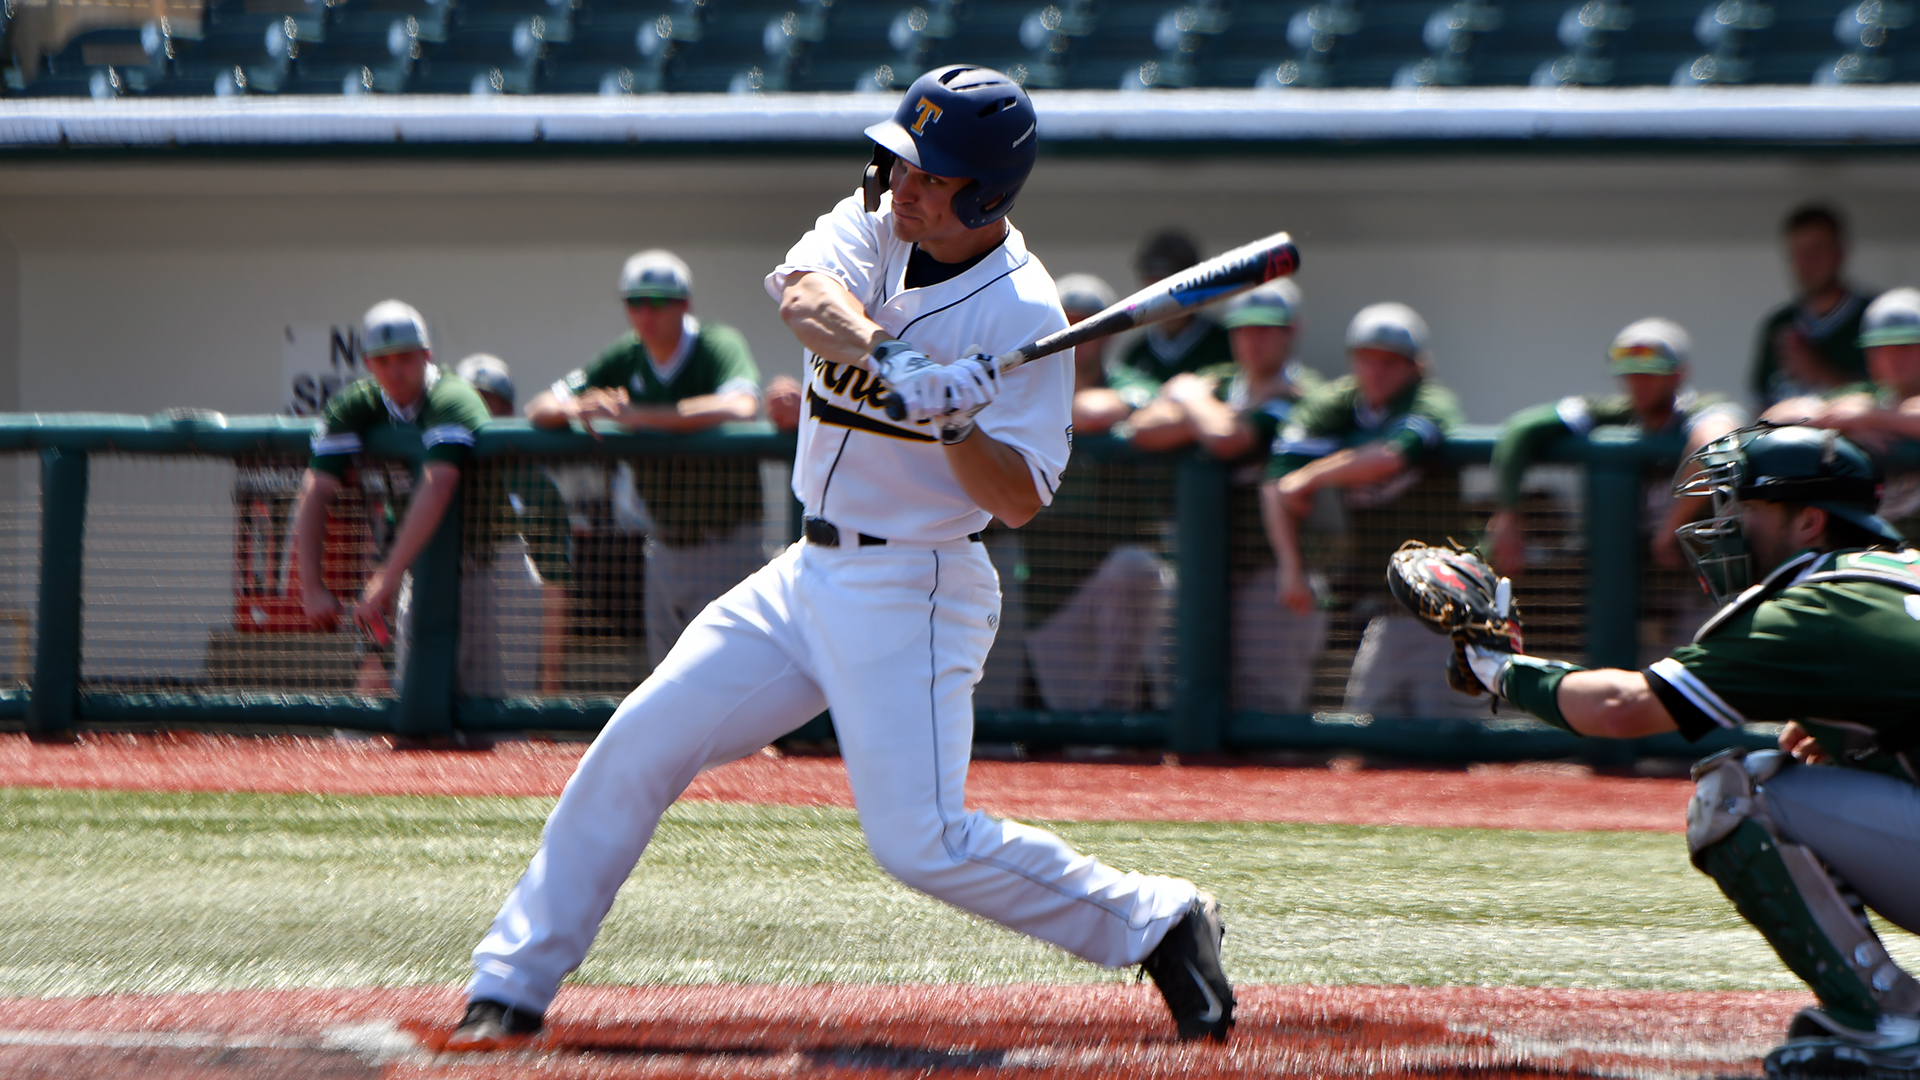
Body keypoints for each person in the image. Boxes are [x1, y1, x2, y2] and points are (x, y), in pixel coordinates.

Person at [451, 64, 1234, 1050]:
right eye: (901, 158)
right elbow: (805, 300)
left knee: (921, 844)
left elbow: (1021, 498)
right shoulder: (877, 215)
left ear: (985, 192)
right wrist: (896, 359)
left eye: (930, 171)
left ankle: (1159, 921)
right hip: (804, 574)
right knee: (638, 743)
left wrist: (958, 429)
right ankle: (512, 982)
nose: (903, 181)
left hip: (916, 585)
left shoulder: (1027, 316)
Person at [1441, 423, 1920, 1079]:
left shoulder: (1820, 605)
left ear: (1809, 522)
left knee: (1741, 790)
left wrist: (1498, 668)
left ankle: (1892, 1024)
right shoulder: (1892, 582)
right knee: (1828, 755)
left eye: (1744, 507)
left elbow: (1622, 708)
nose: (1724, 525)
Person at [523, 250, 769, 668]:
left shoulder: (715, 344)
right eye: (635, 302)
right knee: (667, 678)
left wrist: (637, 416)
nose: (646, 313)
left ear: (684, 304)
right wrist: (579, 408)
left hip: (727, 541)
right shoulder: (627, 355)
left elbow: (743, 405)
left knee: (728, 676)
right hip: (663, 543)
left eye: (658, 302)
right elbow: (539, 407)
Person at [1486, 318, 1747, 658]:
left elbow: (1714, 445)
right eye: (1630, 373)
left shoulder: (1702, 409)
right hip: (1634, 596)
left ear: (1678, 375)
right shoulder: (1614, 415)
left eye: (1650, 373)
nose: (1638, 384)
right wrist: (1508, 512)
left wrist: (1670, 527)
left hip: (1701, 592)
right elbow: (1521, 429)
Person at [1126, 281, 1328, 712]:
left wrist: (1189, 398)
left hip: (1276, 573)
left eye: (1265, 330)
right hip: (1203, 570)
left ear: (1291, 332)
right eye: (1243, 329)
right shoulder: (1218, 383)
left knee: (1265, 706)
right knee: (1182, 696)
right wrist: (1203, 410)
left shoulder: (1309, 396)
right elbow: (1142, 428)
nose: (1251, 340)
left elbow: (1227, 438)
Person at [1261, 302, 1469, 718]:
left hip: (1450, 611)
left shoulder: (1431, 401)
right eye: (1367, 358)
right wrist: (1290, 565)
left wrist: (1311, 477)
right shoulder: (1338, 404)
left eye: (1391, 362)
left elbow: (1390, 457)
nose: (1377, 371)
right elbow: (1276, 480)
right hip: (1388, 608)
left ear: (1416, 366)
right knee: (1367, 736)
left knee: (1447, 747)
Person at [294, 301, 492, 692]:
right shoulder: (357, 404)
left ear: (426, 355)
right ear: (368, 363)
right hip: (423, 563)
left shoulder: (452, 396)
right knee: (417, 701)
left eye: (405, 357)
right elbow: (316, 487)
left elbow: (439, 484)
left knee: (493, 716)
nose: (395, 370)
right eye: (383, 360)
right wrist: (312, 585)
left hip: (489, 558)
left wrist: (386, 577)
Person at [1014, 271, 1175, 713]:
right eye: (1069, 323)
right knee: (1073, 727)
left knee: (1136, 569)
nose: (1079, 335)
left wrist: (1038, 417)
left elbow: (1104, 408)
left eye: (1090, 324)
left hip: (1105, 577)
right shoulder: (1024, 383)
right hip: (1044, 583)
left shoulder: (1128, 383)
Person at [454, 354, 573, 696]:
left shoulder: (535, 485)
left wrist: (549, 684)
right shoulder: (435, 472)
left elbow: (554, 586)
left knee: (505, 731)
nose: (481, 415)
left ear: (508, 411)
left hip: (510, 624)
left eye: (490, 404)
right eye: (471, 404)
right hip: (447, 603)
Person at [1752, 204, 1872, 410]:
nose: (1808, 262)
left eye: (1817, 249)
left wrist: (1819, 371)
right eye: (1799, 252)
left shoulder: (1873, 317)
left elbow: (1893, 400)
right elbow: (1762, 401)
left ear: (1839, 253)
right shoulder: (1779, 323)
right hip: (1787, 438)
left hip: (1851, 440)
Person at [1104, 230, 1234, 414]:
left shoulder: (1227, 344)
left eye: (1168, 283)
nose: (1159, 294)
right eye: (1152, 282)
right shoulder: (1136, 355)